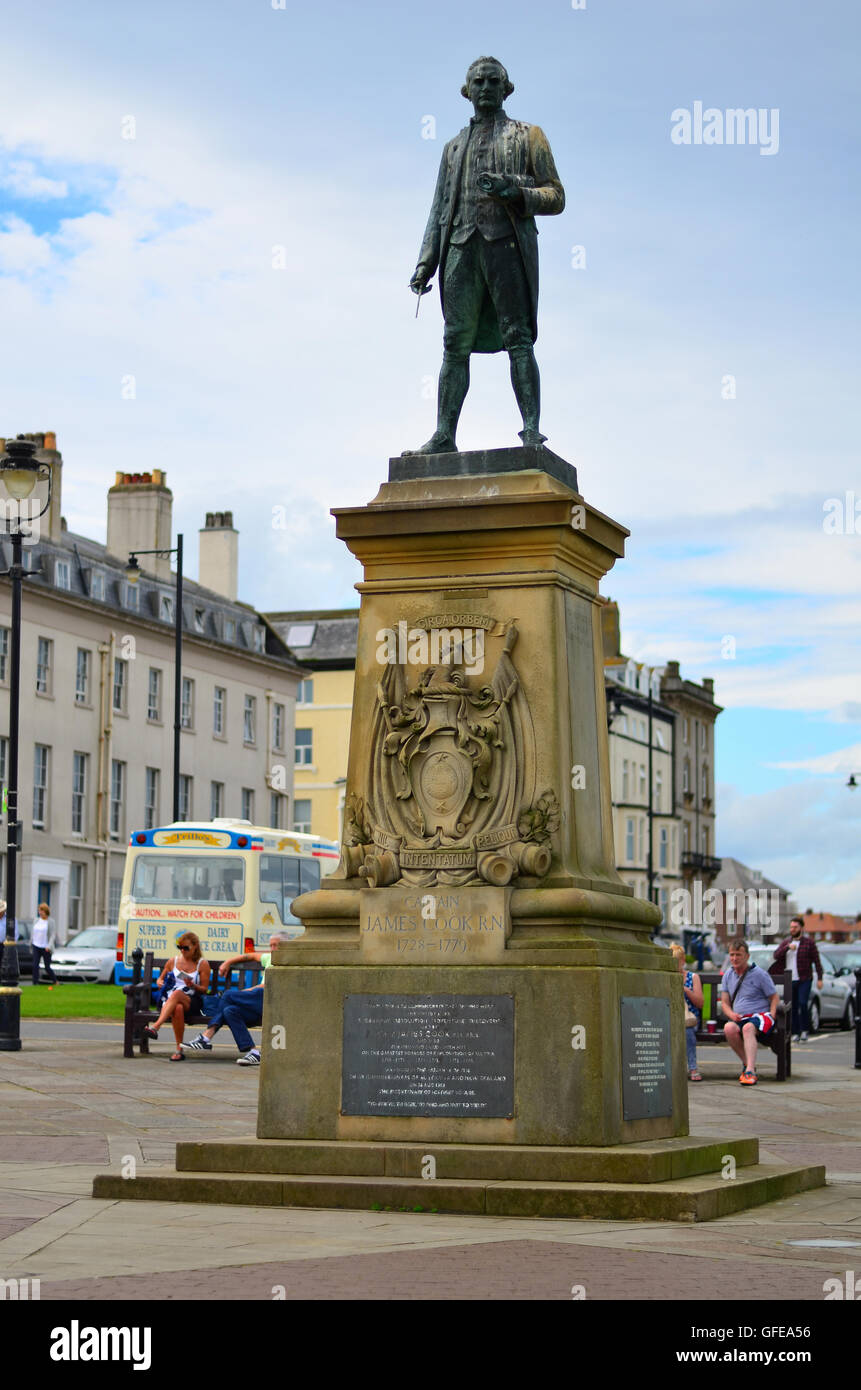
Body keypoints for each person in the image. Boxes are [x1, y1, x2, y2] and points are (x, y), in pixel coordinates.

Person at [406, 56, 565, 453]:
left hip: (506, 247)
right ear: (467, 91)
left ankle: (531, 431)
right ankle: (444, 435)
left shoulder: (529, 136)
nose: (486, 87)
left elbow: (556, 196)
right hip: (460, 248)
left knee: (519, 338)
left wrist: (516, 192)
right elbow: (440, 207)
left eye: (494, 81)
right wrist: (426, 261)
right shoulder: (452, 148)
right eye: (479, 81)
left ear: (506, 89)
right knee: (453, 344)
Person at [182, 934, 284, 1066]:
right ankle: (254, 1052)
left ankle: (207, 1036)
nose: (272, 948)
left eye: (276, 945)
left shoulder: (287, 961)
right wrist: (228, 962)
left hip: (271, 1000)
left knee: (228, 995)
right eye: (270, 945)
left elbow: (269, 985)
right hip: (258, 1003)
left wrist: (244, 992)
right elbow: (250, 956)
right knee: (230, 1011)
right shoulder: (269, 957)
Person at [143, 933, 210, 1061]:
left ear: (195, 947)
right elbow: (160, 979)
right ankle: (179, 1050)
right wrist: (160, 982)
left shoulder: (202, 964)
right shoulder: (173, 961)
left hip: (192, 1000)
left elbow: (204, 990)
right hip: (170, 1000)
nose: (182, 951)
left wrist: (193, 985)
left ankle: (156, 1026)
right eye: (180, 947)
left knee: (178, 994)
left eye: (186, 948)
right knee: (177, 1007)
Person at [720, 941, 779, 1086]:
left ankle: (750, 1072)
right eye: (732, 955)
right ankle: (748, 1066)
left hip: (760, 1016)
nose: (734, 958)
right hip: (740, 1017)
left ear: (747, 956)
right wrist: (731, 1014)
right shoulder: (728, 975)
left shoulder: (760, 974)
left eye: (738, 955)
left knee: (747, 1028)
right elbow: (725, 1003)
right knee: (729, 1028)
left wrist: (772, 1015)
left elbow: (774, 997)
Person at [772, 915, 823, 1043]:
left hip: (805, 978)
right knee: (792, 1006)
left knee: (803, 1003)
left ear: (801, 928)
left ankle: (804, 1030)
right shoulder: (786, 942)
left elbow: (817, 961)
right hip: (790, 979)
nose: (793, 929)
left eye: (795, 927)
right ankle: (795, 1032)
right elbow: (776, 955)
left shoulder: (809, 943)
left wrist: (820, 978)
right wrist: (787, 948)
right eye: (791, 927)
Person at [671, 943, 704, 1082]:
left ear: (683, 961)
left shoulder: (693, 977)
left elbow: (700, 1003)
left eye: (676, 962)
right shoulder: (665, 977)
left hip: (690, 1018)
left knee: (687, 1030)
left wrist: (685, 989)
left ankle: (692, 1067)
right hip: (671, 1018)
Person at [32, 902, 58, 985]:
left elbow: (52, 935)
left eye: (42, 911)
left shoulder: (51, 922)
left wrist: (49, 946)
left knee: (47, 967)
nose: (40, 912)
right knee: (35, 965)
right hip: (36, 945)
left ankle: (55, 981)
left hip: (46, 947)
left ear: (46, 911)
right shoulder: (36, 920)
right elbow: (33, 932)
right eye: (39, 911)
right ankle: (35, 983)